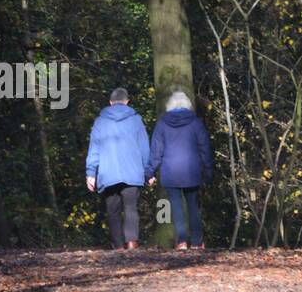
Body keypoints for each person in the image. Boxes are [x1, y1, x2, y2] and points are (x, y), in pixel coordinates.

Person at [85, 87, 152, 249]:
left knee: (113, 211)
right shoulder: (136, 120)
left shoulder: (100, 121)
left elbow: (94, 148)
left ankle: (118, 245)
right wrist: (148, 170)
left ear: (110, 102)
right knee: (131, 208)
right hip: (132, 172)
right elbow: (144, 147)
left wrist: (91, 173)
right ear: (127, 101)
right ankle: (132, 242)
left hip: (108, 173)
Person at [148, 91, 212, 250]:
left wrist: (150, 172)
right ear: (187, 105)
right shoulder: (196, 123)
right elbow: (205, 148)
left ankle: (182, 241)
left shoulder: (162, 124)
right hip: (192, 171)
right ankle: (197, 242)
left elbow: (156, 152)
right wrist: (207, 170)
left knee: (176, 207)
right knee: (192, 206)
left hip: (170, 172)